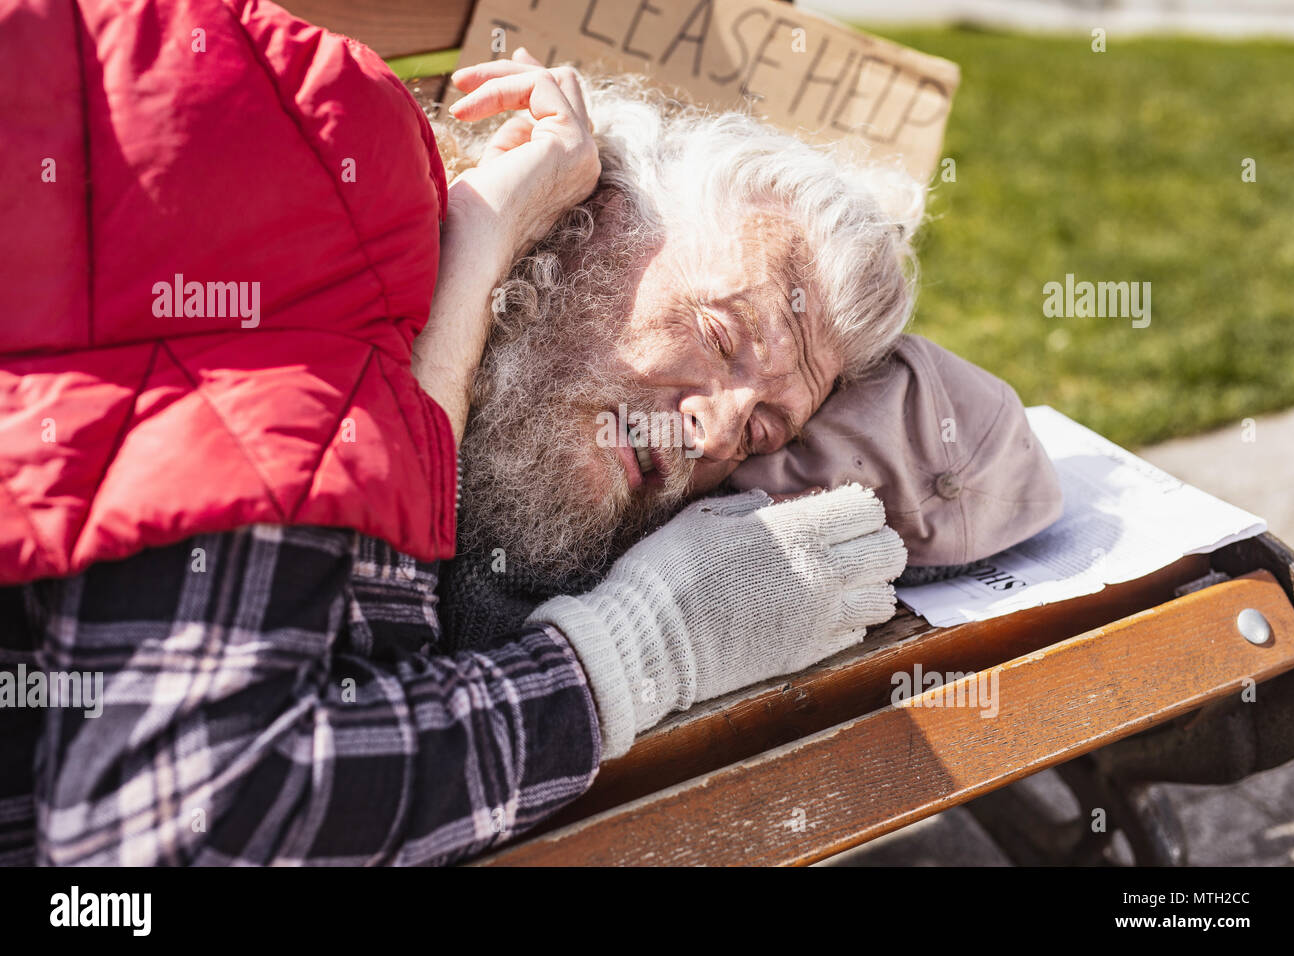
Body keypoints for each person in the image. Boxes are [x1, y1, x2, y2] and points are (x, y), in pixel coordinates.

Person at [0, 1, 909, 867]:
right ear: (588, 217)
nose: (714, 433)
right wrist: (630, 657)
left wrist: (469, 285)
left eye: (761, 429)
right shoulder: (309, 257)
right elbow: (173, 834)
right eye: (717, 335)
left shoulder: (429, 401)